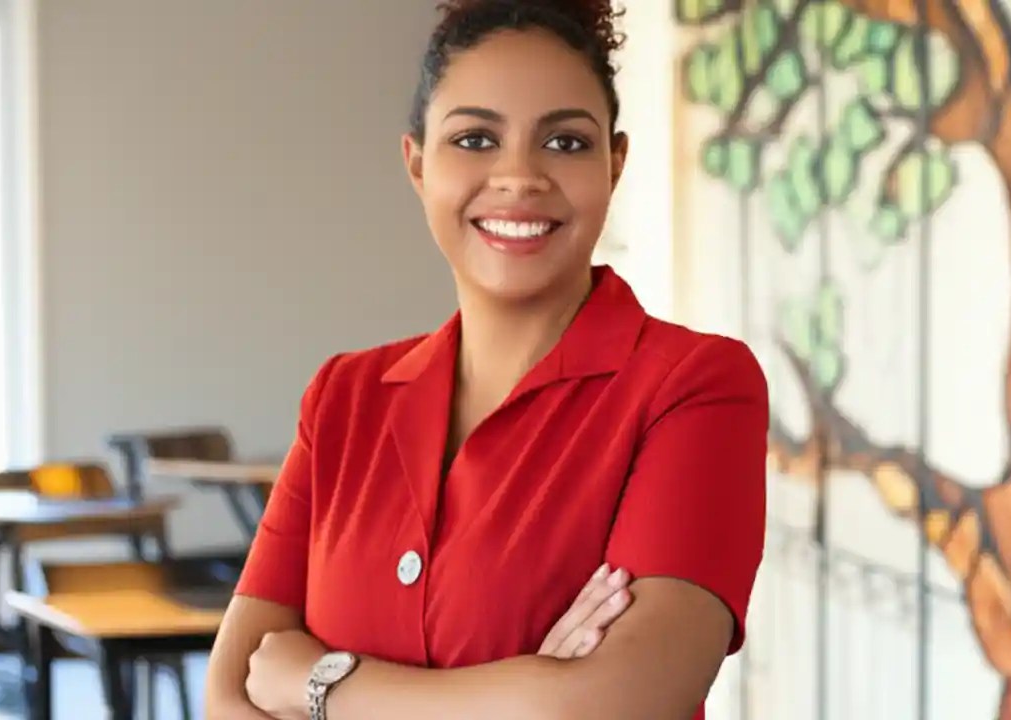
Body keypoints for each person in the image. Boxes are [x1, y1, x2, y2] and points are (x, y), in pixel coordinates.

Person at [204, 0, 768, 717]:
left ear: (614, 164)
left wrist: (317, 684)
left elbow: (624, 699)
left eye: (565, 142)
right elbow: (229, 695)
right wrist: (532, 688)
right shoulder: (344, 396)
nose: (519, 177)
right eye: (475, 139)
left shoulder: (693, 387)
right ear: (416, 164)